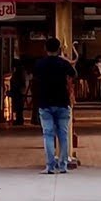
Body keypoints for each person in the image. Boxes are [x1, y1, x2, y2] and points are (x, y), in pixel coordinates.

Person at [33, 37, 77, 174]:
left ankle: (50, 166)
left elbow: (35, 78)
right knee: (63, 135)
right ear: (59, 49)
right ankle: (63, 166)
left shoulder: (40, 64)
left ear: (45, 49)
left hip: (45, 103)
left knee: (48, 135)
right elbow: (73, 74)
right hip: (62, 103)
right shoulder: (63, 63)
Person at [9, 60, 28, 125]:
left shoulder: (17, 74)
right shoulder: (21, 72)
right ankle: (19, 119)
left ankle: (19, 119)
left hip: (17, 91)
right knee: (19, 106)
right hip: (19, 91)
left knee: (18, 106)